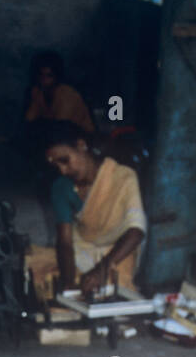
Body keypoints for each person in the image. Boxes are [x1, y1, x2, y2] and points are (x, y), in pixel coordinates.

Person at [26, 120, 147, 303]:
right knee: (34, 266)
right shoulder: (61, 187)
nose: (63, 170)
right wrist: (67, 283)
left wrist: (101, 269)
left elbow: (136, 231)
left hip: (116, 252)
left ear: (81, 146)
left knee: (111, 290)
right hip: (82, 249)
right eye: (56, 166)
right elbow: (65, 242)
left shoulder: (123, 177)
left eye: (65, 160)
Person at [24, 52, 95, 134]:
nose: (44, 80)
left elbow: (61, 127)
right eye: (41, 75)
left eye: (49, 76)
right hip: (55, 136)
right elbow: (29, 122)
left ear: (57, 77)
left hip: (81, 138)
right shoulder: (37, 92)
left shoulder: (68, 95)